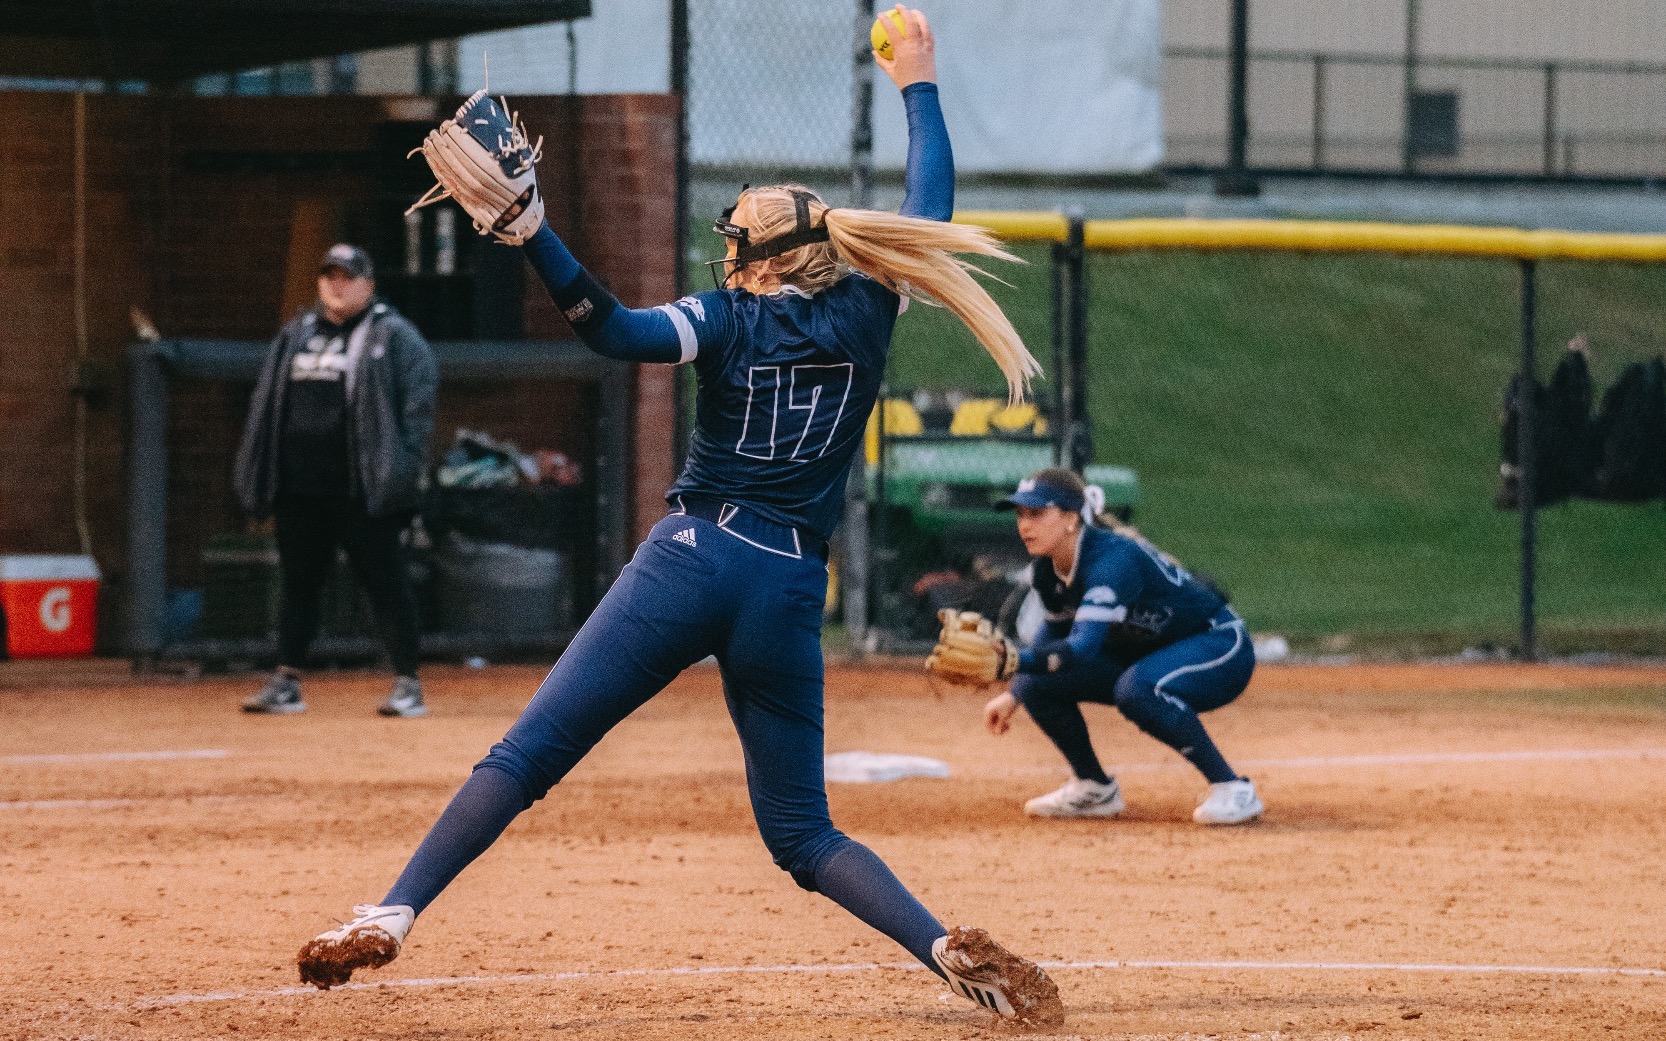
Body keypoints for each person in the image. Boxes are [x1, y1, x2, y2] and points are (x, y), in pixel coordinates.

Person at [293, 8, 1064, 1027]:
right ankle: (941, 947)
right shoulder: (871, 303)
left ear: (762, 263)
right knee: (801, 835)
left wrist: (533, 231)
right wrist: (918, 79)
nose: (727, 258)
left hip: (694, 560)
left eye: (735, 246)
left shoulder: (727, 315)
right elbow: (930, 199)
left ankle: (392, 914)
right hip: (788, 584)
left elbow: (611, 331)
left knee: (523, 760)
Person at [981, 468, 1264, 825]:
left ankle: (1233, 789)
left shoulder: (1113, 561)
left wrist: (1013, 661)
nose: (1025, 524)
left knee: (1137, 688)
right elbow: (1054, 633)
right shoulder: (1046, 571)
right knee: (1037, 683)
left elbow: (1081, 648)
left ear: (1070, 519)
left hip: (1219, 646)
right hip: (1149, 654)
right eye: (1021, 514)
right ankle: (1093, 787)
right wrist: (1016, 692)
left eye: (1036, 513)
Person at [233, 243, 436, 718]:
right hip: (301, 488)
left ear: (368, 283)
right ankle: (286, 681)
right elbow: (267, 403)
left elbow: (420, 400)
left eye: (347, 276)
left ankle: (408, 682)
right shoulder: (297, 333)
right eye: (329, 275)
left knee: (385, 583)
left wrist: (400, 467)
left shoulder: (393, 334)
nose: (336, 284)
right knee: (299, 585)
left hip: (361, 488)